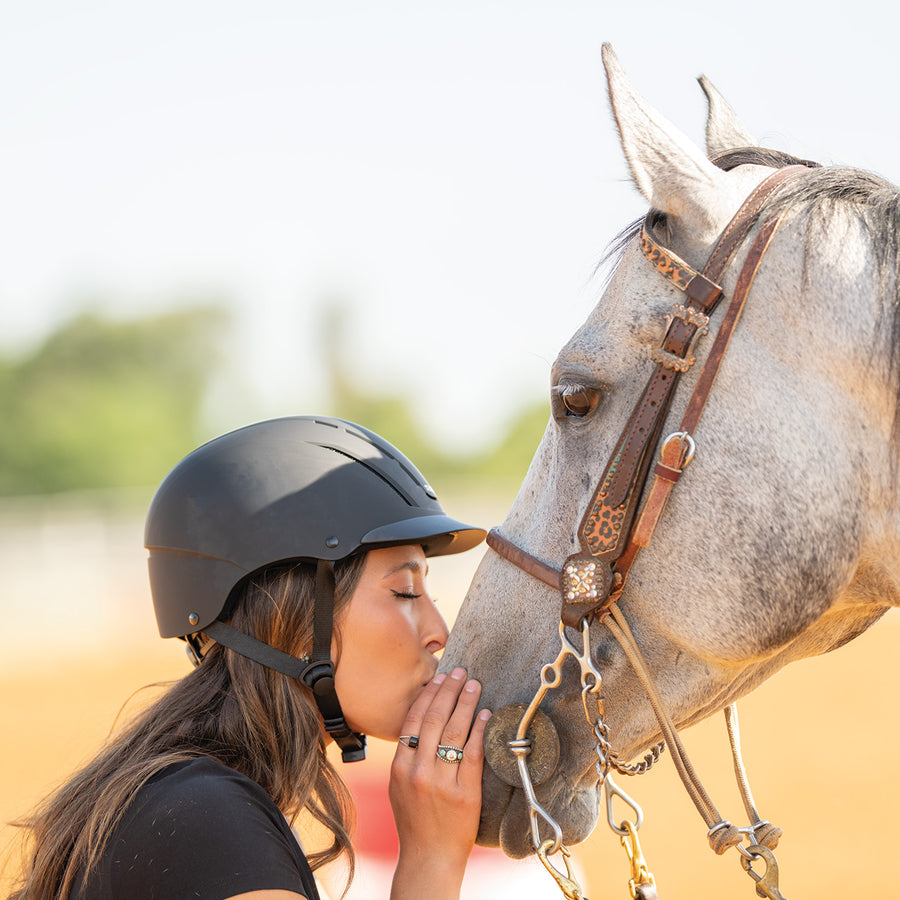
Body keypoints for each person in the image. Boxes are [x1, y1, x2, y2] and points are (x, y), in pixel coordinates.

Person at [8, 416, 490, 900]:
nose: (438, 633)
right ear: (292, 622)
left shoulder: (197, 803)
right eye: (405, 592)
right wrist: (432, 861)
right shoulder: (208, 821)